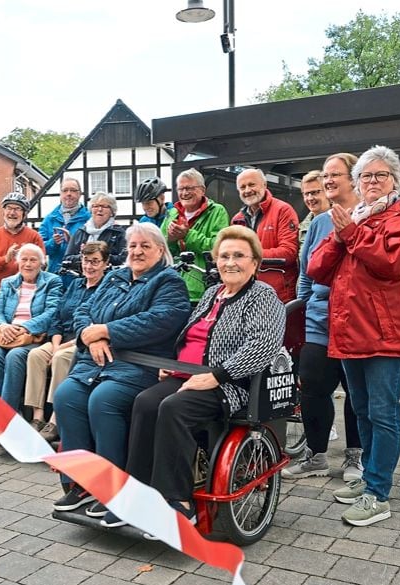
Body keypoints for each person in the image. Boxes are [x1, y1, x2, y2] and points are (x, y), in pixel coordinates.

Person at [114, 226, 286, 528]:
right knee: (144, 402)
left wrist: (218, 376)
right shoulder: (211, 293)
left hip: (232, 384)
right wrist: (172, 362)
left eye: (238, 256)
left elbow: (263, 345)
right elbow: (191, 337)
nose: (230, 262)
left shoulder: (262, 296)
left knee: (173, 409)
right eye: (224, 256)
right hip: (187, 375)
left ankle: (178, 501)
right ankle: (137, 492)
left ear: (255, 262)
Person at [307, 146, 400, 527]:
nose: (371, 182)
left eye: (380, 175)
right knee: (363, 412)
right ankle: (370, 480)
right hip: (347, 332)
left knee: (384, 413)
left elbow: (393, 263)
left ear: (394, 180)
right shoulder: (350, 219)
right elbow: (316, 269)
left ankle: (378, 492)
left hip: (384, 334)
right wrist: (341, 236)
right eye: (365, 177)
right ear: (356, 185)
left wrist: (351, 233)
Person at [52, 222, 190, 512]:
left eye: (145, 246)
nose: (137, 251)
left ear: (160, 250)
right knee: (66, 396)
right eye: (133, 246)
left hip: (137, 365)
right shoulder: (115, 277)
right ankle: (80, 483)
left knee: (104, 401)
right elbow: (83, 310)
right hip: (95, 363)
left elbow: (161, 319)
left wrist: (106, 331)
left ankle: (113, 487)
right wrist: (90, 337)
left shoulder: (168, 281)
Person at [285, 154, 364, 483]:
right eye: (326, 175)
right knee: (313, 387)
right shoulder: (319, 222)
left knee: (356, 392)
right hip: (319, 318)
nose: (328, 181)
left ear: (353, 178)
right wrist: (300, 307)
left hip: (356, 318)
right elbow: (306, 271)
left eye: (335, 175)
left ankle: (355, 457)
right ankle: (315, 456)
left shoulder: (367, 215)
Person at [24, 241, 109, 443]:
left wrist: (60, 348)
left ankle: (55, 418)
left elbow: (94, 325)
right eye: (86, 261)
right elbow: (57, 319)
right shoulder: (75, 286)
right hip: (61, 340)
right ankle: (38, 417)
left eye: (95, 262)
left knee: (61, 358)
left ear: (105, 264)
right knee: (35, 355)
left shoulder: (107, 289)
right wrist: (54, 344)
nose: (89, 266)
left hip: (84, 342)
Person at [0, 243, 61, 423]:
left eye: (33, 260)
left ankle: (4, 418)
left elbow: (52, 312)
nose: (28, 264)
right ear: (18, 262)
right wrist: (3, 326)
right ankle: (12, 413)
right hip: (7, 334)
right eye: (24, 259)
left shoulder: (52, 281)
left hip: (31, 336)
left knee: (15, 356)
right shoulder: (7, 282)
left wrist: (25, 327)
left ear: (41, 263)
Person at [231, 168, 300, 302]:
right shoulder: (237, 219)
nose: (247, 190)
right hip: (246, 294)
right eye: (242, 187)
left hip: (278, 294)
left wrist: (250, 256)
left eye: (251, 185)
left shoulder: (283, 210)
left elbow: (289, 253)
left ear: (264, 185)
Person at [161, 169, 230, 303]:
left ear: (202, 190)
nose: (184, 193)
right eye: (180, 189)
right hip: (172, 290)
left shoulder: (217, 211)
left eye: (189, 188)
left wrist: (187, 235)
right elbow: (159, 251)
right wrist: (170, 240)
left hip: (204, 291)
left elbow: (219, 247)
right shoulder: (172, 214)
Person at [0, 191, 45, 310]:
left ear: (24, 214)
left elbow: (42, 266)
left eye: (17, 209)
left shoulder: (34, 237)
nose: (12, 213)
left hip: (27, 301)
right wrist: (5, 259)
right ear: (3, 211)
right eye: (8, 208)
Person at [39, 178, 90, 274]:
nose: (69, 194)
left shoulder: (89, 218)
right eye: (65, 190)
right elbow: (39, 248)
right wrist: (53, 243)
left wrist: (74, 243)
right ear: (60, 194)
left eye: (73, 190)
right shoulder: (49, 219)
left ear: (80, 194)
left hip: (80, 276)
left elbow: (96, 248)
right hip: (55, 275)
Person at [64, 192, 126, 268]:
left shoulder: (118, 233)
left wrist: (99, 255)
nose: (100, 209)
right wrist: (83, 255)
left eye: (104, 206)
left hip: (108, 277)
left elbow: (123, 259)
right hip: (81, 277)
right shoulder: (80, 232)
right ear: (91, 210)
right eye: (96, 206)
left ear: (112, 212)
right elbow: (67, 258)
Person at [298, 170, 330, 245]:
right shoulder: (301, 228)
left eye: (314, 192)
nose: (310, 198)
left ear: (327, 191)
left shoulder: (338, 221)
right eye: (306, 194)